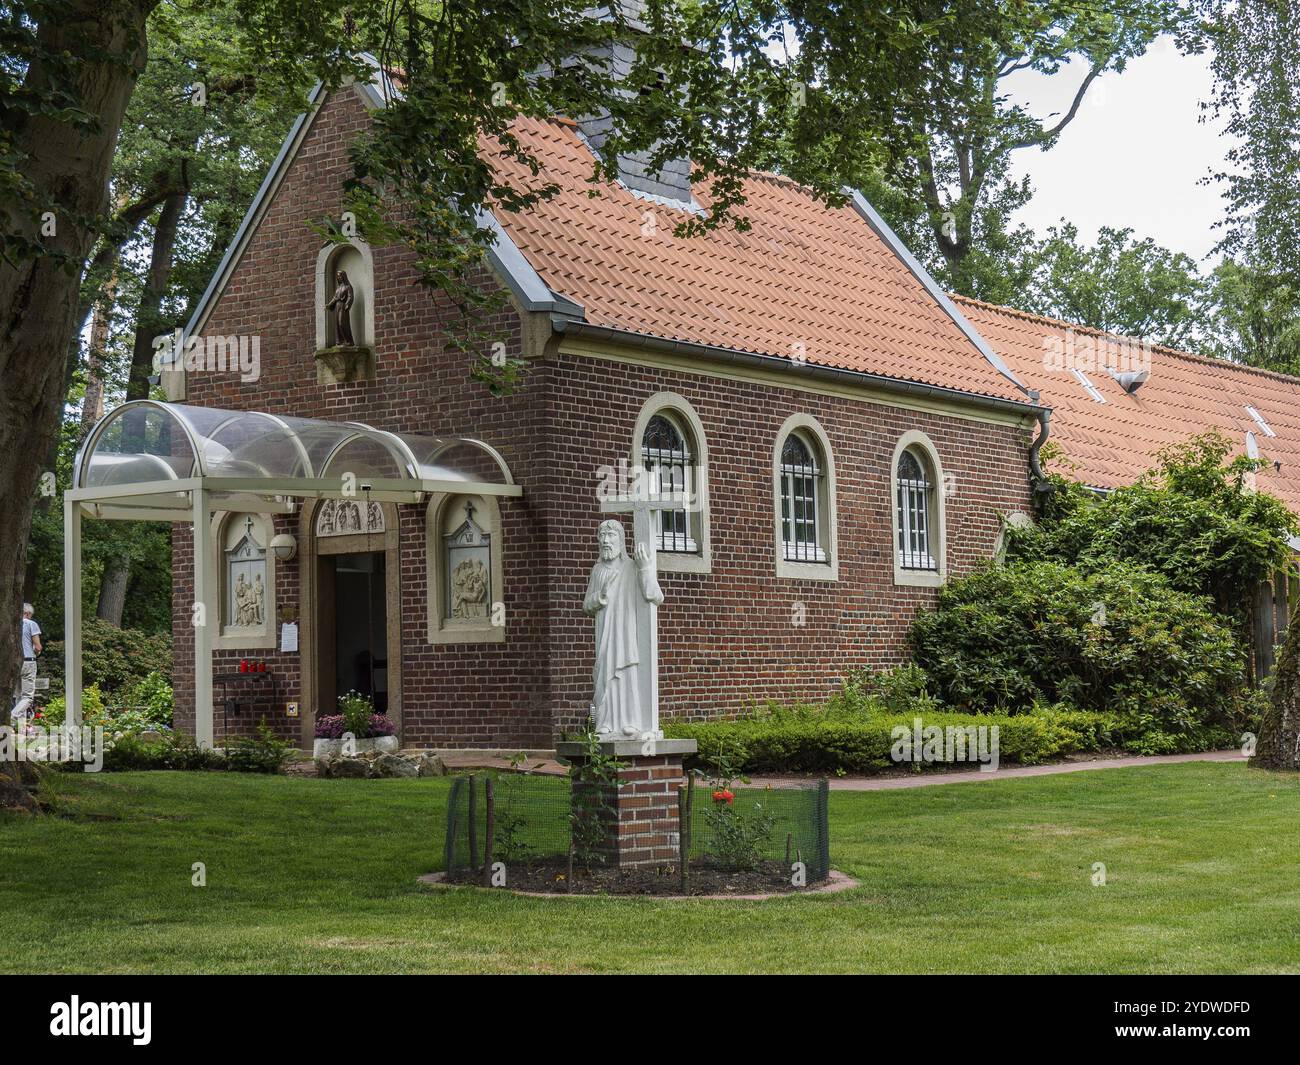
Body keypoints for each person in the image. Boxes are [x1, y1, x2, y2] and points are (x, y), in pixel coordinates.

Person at [12, 603, 42, 722]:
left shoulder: (12, 625)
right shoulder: (31, 624)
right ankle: (11, 717)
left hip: (14, 663)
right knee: (28, 697)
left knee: (19, 696)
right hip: (28, 662)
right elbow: (38, 647)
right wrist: (36, 652)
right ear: (27, 613)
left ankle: (21, 728)